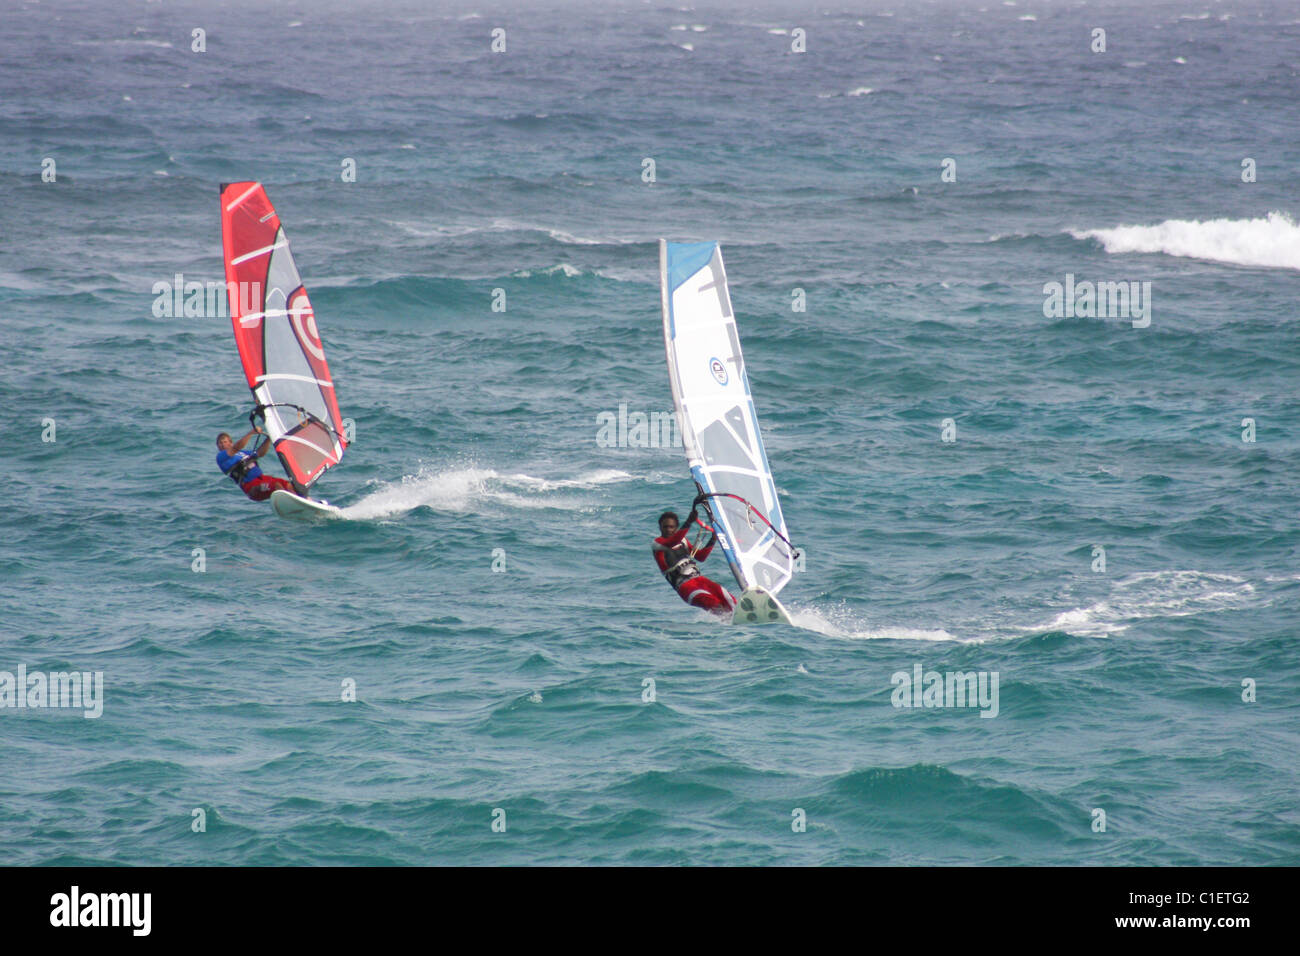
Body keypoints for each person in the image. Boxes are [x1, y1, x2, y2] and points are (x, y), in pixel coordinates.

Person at [651, 500, 736, 615]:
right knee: (713, 603)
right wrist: (688, 522)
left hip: (699, 579)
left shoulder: (683, 541)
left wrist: (713, 539)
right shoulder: (657, 544)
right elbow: (672, 541)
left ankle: (742, 616)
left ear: (676, 528)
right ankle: (728, 624)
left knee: (729, 599)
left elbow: (700, 557)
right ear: (660, 528)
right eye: (665, 527)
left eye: (671, 527)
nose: (668, 530)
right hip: (685, 587)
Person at [215, 427, 300, 501]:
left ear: (230, 443)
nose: (222, 445)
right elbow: (237, 446)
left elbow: (260, 453)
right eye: (220, 443)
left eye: (225, 442)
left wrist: (269, 439)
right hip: (251, 487)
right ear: (217, 446)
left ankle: (304, 501)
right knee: (277, 487)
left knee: (289, 485)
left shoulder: (242, 453)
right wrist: (251, 433)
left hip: (263, 479)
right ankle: (289, 506)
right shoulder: (221, 457)